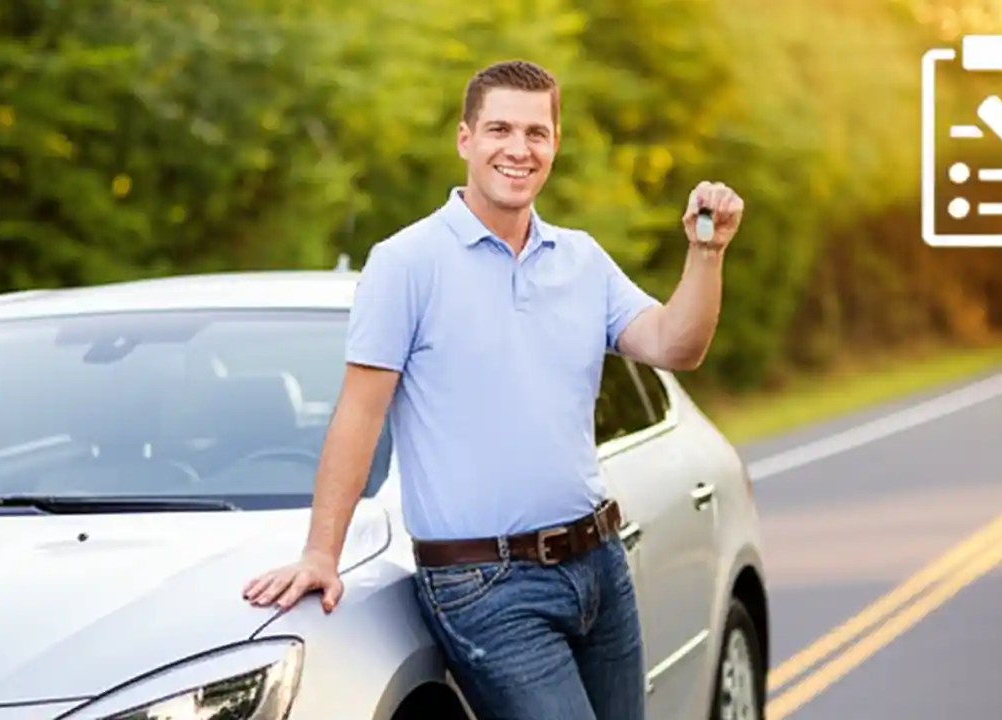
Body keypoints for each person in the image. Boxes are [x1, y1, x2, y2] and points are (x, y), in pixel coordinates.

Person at [243, 59, 744, 719]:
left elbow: (676, 346)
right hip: (484, 585)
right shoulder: (406, 264)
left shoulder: (582, 259)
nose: (518, 148)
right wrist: (320, 554)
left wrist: (706, 255)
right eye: (500, 129)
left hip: (599, 564)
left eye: (536, 133)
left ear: (554, 145)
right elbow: (359, 416)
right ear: (465, 139)